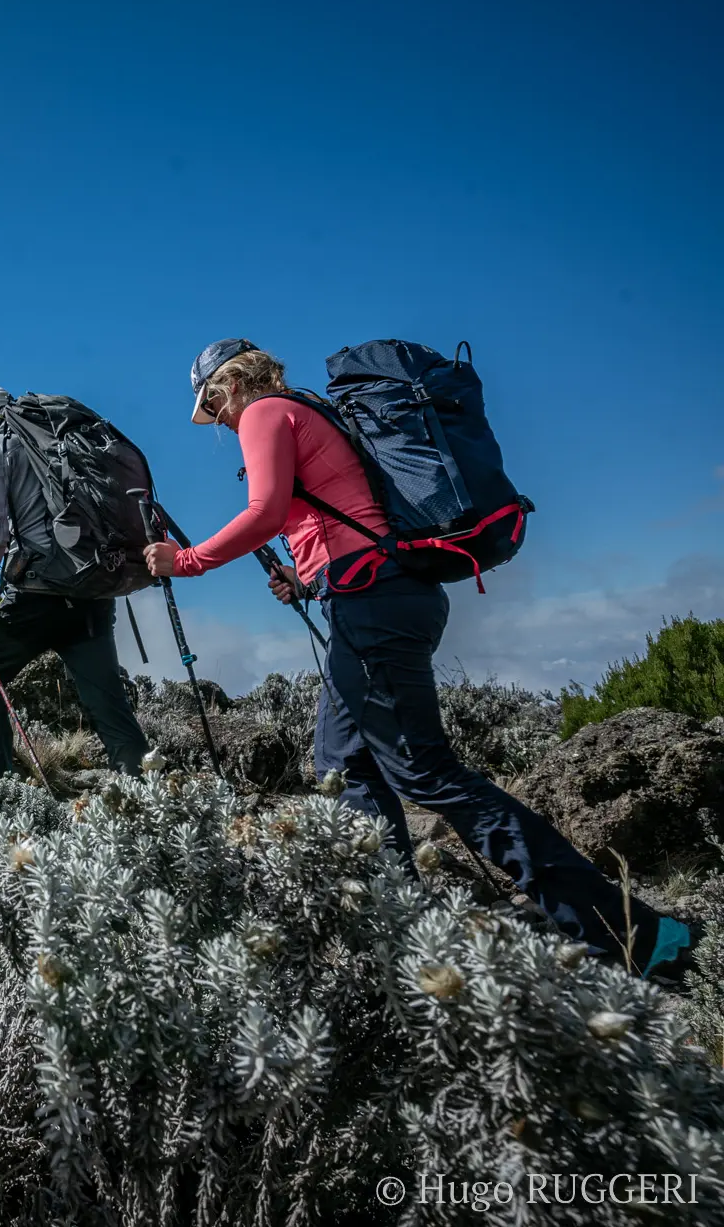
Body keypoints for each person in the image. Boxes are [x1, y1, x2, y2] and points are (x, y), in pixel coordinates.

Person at [145, 339, 697, 979]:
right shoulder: (309, 410)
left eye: (213, 401)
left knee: (424, 774)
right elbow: (341, 513)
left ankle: (640, 935)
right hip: (380, 594)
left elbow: (265, 511)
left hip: (374, 602)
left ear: (233, 382)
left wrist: (185, 561)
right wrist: (307, 580)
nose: (218, 418)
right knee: (344, 763)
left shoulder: (267, 412)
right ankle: (400, 930)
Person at [0, 382, 148, 776]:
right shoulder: (55, 440)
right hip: (91, 589)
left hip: (37, 595)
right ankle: (148, 794)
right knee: (108, 702)